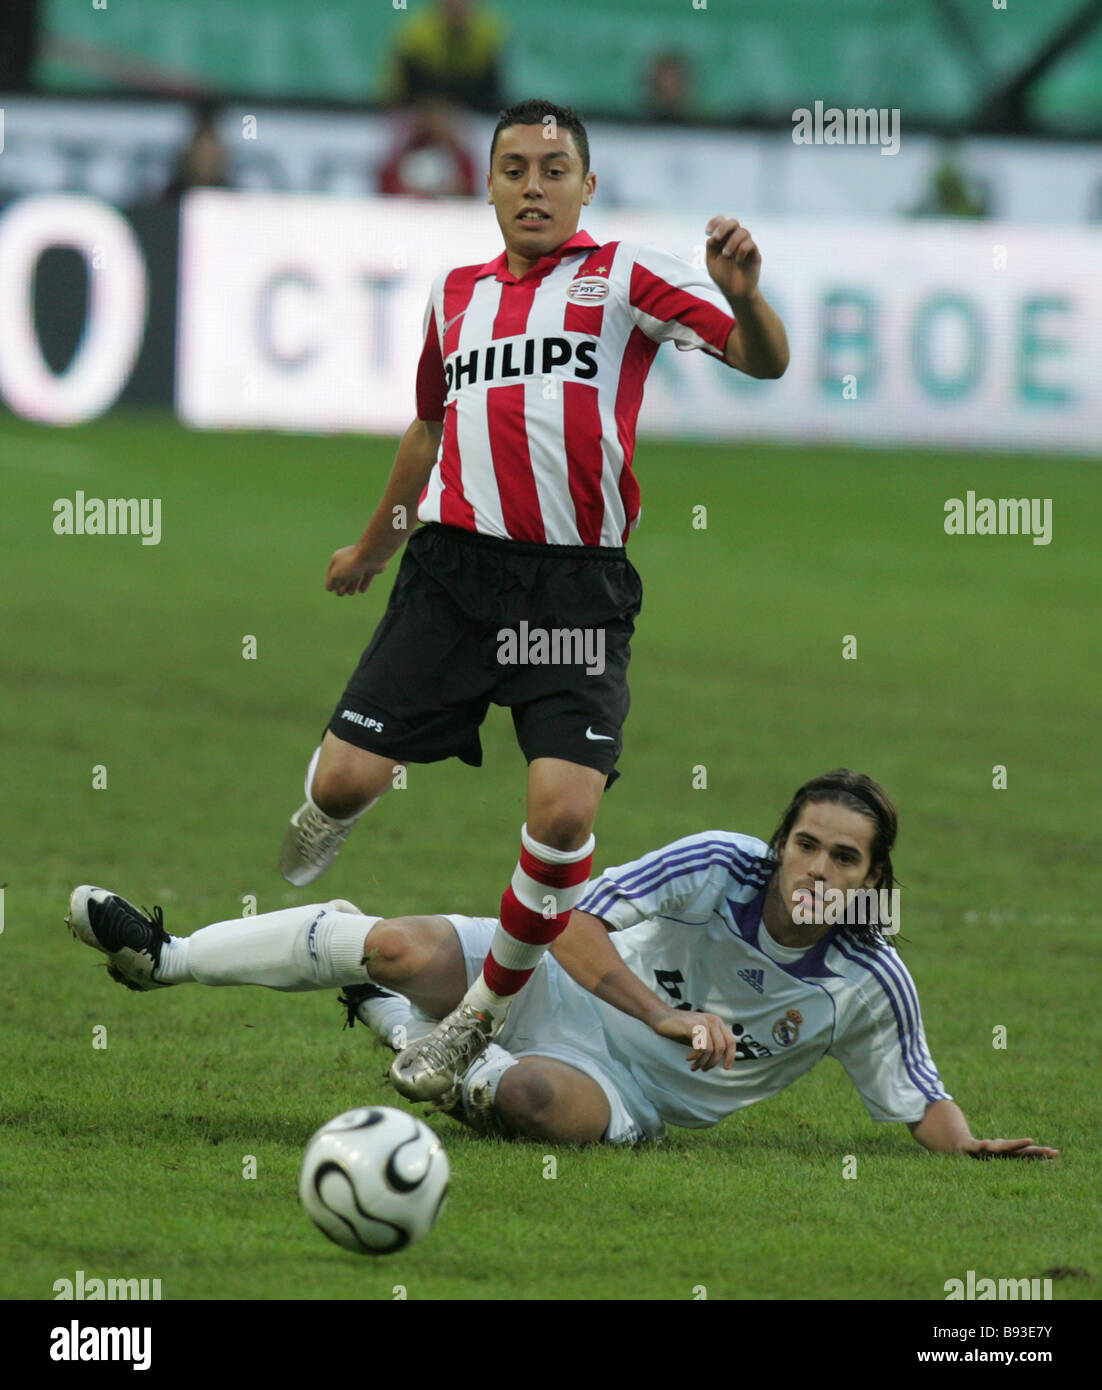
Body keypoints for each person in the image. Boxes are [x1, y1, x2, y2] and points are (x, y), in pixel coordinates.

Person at [278, 96, 789, 1107]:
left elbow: (760, 361)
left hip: (574, 587)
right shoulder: (454, 295)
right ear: (488, 185)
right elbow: (428, 427)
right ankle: (323, 807)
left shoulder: (624, 277)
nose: (533, 186)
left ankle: (476, 1019)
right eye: (513, 168)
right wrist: (374, 546)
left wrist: (745, 295)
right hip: (454, 577)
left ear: (586, 187)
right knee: (342, 785)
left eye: (554, 169)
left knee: (561, 814)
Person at [67, 771, 1057, 1157]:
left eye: (845, 857)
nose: (817, 867)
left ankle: (396, 1025)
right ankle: (170, 955)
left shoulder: (868, 979)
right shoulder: (718, 863)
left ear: (872, 873)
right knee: (393, 942)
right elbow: (567, 916)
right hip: (553, 979)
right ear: (781, 841)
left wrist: (968, 1149)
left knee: (535, 1105)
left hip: (624, 1090)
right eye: (807, 843)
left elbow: (918, 1091)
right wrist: (663, 1011)